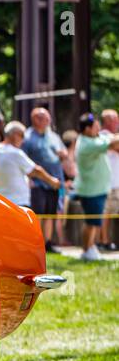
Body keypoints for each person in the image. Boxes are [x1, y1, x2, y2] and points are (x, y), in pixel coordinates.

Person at [72, 112, 119, 261]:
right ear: (87, 129)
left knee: (94, 222)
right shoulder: (88, 144)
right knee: (91, 223)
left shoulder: (93, 139)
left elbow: (111, 139)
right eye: (95, 126)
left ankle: (90, 248)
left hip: (96, 189)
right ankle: (86, 250)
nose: (98, 128)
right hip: (91, 190)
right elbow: (112, 143)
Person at [22, 107, 69, 252]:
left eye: (48, 118)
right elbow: (22, 159)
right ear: (35, 119)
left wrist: (63, 154)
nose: (47, 121)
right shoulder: (28, 137)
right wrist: (28, 180)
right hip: (37, 183)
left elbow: (65, 153)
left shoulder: (53, 136)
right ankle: (37, 243)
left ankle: (48, 243)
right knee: (39, 214)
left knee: (50, 214)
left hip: (54, 183)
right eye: (44, 118)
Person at [0, 121, 59, 211]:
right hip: (18, 204)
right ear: (15, 135)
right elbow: (36, 171)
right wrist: (52, 181)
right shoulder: (16, 153)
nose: (23, 141)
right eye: (22, 136)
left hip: (1, 202)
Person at [101, 109, 119, 251]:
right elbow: (115, 145)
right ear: (105, 121)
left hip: (116, 183)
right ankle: (104, 241)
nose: (116, 122)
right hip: (108, 184)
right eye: (113, 119)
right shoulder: (102, 136)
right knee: (104, 214)